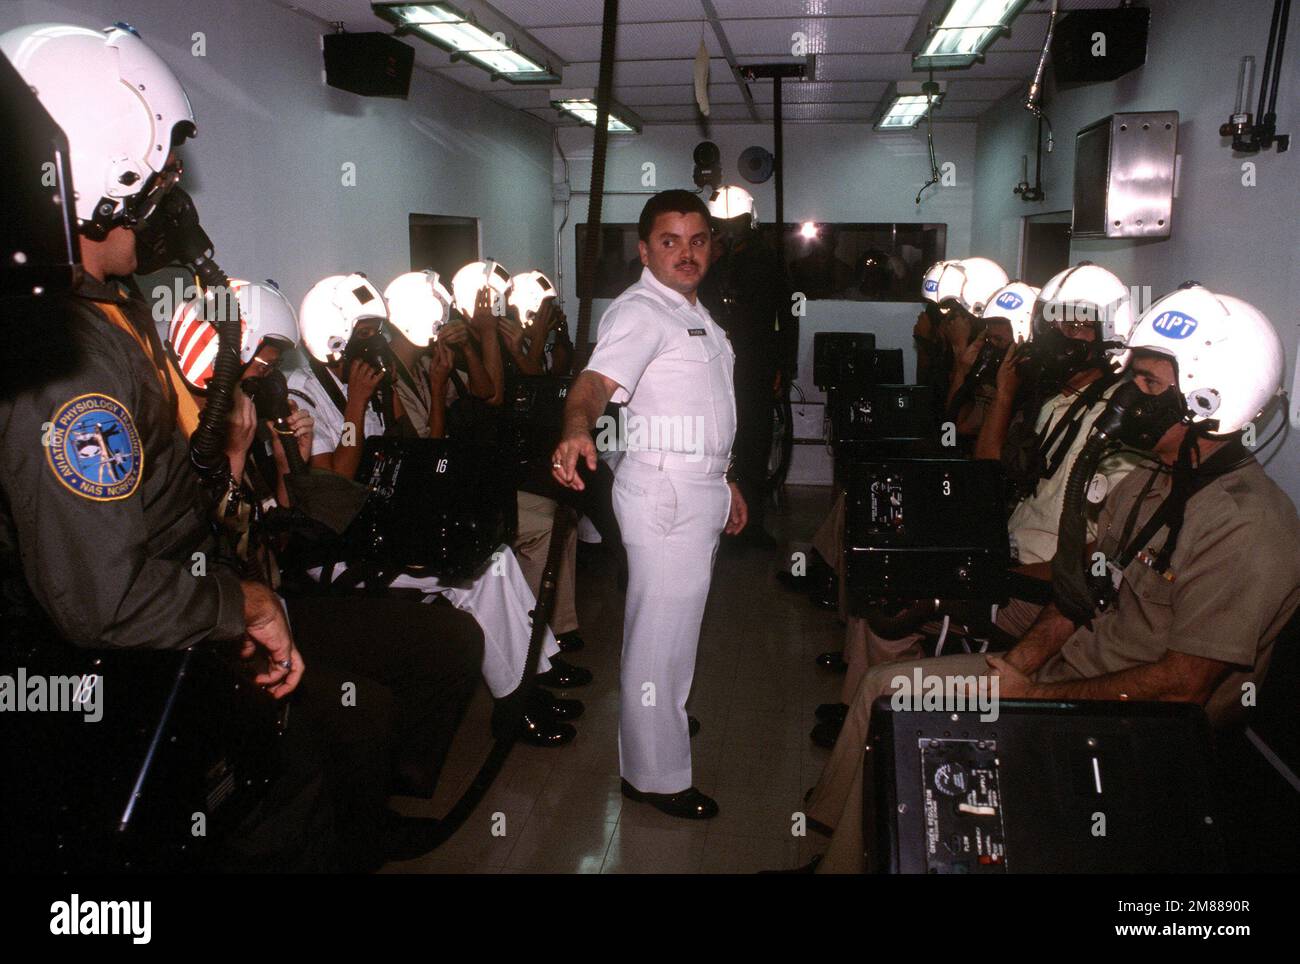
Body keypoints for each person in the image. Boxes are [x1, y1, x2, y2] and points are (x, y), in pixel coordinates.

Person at [800, 284, 1300, 873]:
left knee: (899, 699)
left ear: (1211, 398)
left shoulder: (1248, 527)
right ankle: (845, 843)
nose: (1128, 396)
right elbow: (1074, 596)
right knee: (887, 686)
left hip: (1136, 724)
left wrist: (1033, 699)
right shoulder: (1152, 480)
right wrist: (1022, 666)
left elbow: (1183, 687)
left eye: (1147, 384)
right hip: (1070, 677)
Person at [286, 274, 586, 744]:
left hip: (377, 517)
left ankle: (535, 672)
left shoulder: (365, 381)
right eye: (362, 336)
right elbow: (333, 486)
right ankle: (514, 704)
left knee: (496, 556)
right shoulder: (304, 392)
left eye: (373, 334)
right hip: (339, 539)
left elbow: (413, 448)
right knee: (477, 574)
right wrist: (356, 407)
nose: (372, 346)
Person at [552, 189, 747, 820]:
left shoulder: (693, 309)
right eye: (670, 241)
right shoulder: (640, 311)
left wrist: (726, 480)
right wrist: (578, 426)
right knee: (657, 638)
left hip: (699, 485)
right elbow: (593, 383)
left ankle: (659, 719)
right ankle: (652, 775)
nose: (686, 253)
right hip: (665, 494)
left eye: (697, 240)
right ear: (644, 250)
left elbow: (705, 406)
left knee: (677, 631)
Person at [697, 185, 798, 547]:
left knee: (753, 444)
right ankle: (716, 523)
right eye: (721, 223)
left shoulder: (767, 260)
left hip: (754, 367)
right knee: (717, 442)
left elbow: (786, 317)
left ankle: (750, 525)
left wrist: (784, 367)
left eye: (733, 223)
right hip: (714, 366)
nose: (728, 229)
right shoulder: (710, 260)